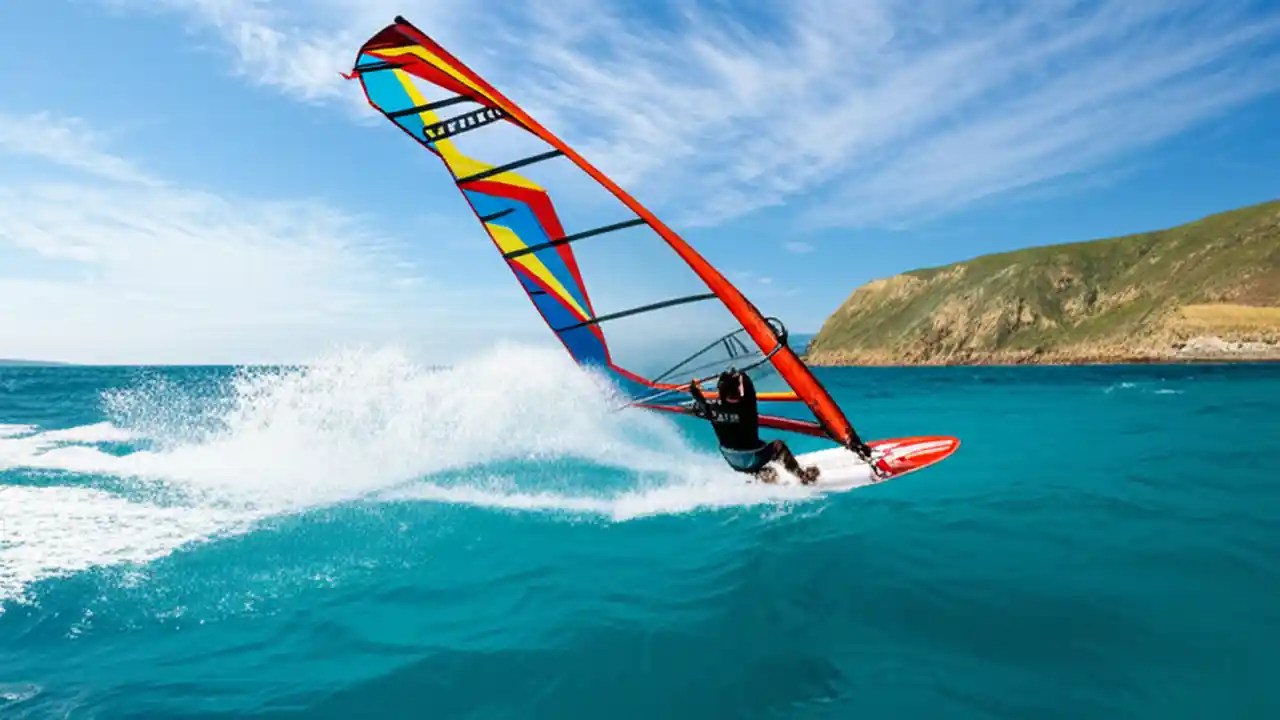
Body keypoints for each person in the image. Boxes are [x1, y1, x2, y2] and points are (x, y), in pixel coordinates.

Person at [689, 369, 820, 484]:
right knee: (778, 446)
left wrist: (694, 388)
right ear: (736, 390)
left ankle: (762, 475)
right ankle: (802, 476)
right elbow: (748, 385)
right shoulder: (747, 407)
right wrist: (741, 374)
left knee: (758, 449)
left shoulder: (711, 410)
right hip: (751, 456)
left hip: (733, 460)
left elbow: (699, 398)